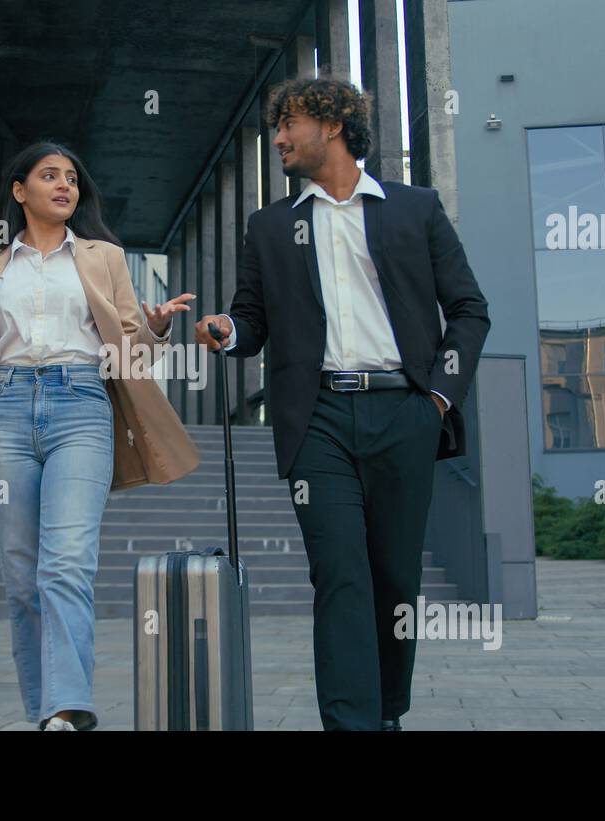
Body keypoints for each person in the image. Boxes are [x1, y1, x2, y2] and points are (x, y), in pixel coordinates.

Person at [194, 78, 490, 731]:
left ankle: (385, 710)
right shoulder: (270, 227)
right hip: (318, 421)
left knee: (394, 578)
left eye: (286, 124)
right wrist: (228, 330)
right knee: (340, 574)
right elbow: (253, 322)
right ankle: (351, 723)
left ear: (330, 122)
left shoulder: (416, 208)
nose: (277, 139)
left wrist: (438, 397)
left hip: (404, 414)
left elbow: (469, 309)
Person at [0, 141, 199, 731]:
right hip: (7, 414)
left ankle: (68, 710)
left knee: (64, 564)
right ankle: (46, 712)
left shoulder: (103, 257)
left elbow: (130, 343)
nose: (64, 186)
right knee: (21, 575)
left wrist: (158, 328)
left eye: (71, 178)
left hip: (81, 407)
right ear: (20, 191)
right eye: (49, 176)